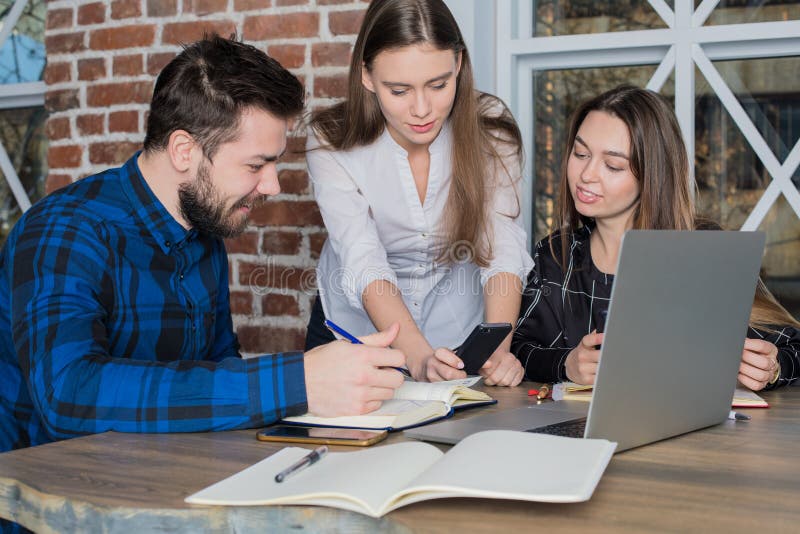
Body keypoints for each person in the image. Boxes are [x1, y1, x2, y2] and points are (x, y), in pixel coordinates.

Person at [0, 35, 408, 456]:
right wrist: (297, 381)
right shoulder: (63, 230)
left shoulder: (205, 229)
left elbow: (217, 370)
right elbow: (68, 395)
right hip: (46, 503)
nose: (272, 185)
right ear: (184, 150)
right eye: (256, 165)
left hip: (163, 480)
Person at [511, 84, 800, 391]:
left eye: (613, 165)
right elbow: (519, 350)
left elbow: (793, 346)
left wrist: (775, 368)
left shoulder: (703, 250)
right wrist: (566, 363)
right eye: (580, 153)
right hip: (574, 433)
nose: (586, 174)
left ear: (652, 175)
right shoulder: (556, 255)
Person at [304, 0, 533, 386]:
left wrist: (498, 345)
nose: (423, 109)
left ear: (458, 64)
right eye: (399, 90)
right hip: (360, 328)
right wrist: (418, 357)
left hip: (460, 325)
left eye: (439, 84)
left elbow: (502, 246)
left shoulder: (491, 129)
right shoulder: (331, 140)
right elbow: (364, 260)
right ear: (367, 76)